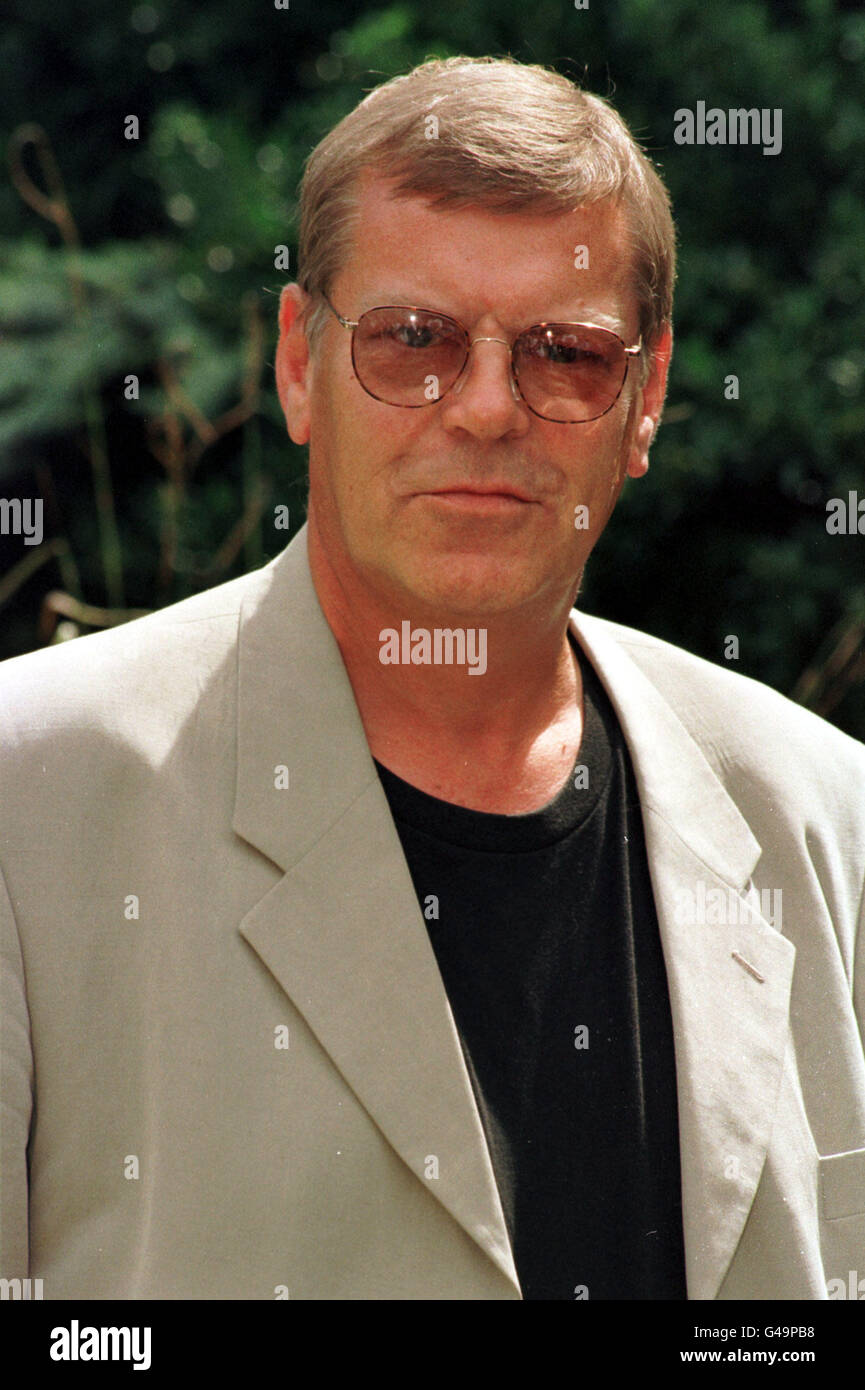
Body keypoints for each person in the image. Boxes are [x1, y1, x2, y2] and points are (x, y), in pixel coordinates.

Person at [1, 55, 864, 1303]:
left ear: (645, 398)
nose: (483, 408)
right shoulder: (34, 800)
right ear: (298, 362)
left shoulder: (824, 819)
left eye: (563, 353)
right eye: (415, 341)